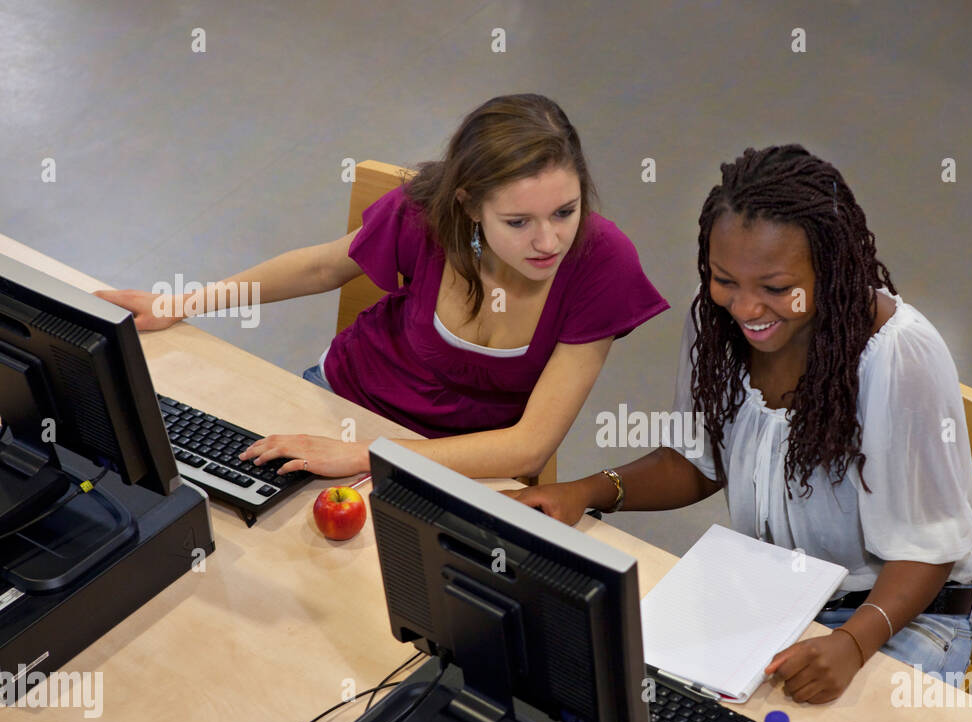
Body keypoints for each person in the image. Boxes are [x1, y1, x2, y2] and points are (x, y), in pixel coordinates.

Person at [507, 144, 972, 704]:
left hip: (900, 616)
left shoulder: (897, 355)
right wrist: (584, 492)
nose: (746, 308)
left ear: (829, 271)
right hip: (778, 597)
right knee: (621, 699)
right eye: (725, 279)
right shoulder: (717, 321)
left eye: (777, 288)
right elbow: (694, 463)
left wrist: (854, 644)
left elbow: (929, 549)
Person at [94, 93, 669, 479]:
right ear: (467, 206)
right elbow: (323, 267)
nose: (548, 241)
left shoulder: (602, 261)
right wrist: (178, 303)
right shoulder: (423, 214)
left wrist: (366, 456)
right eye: (518, 223)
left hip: (452, 460)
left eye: (565, 212)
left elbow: (528, 446)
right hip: (344, 399)